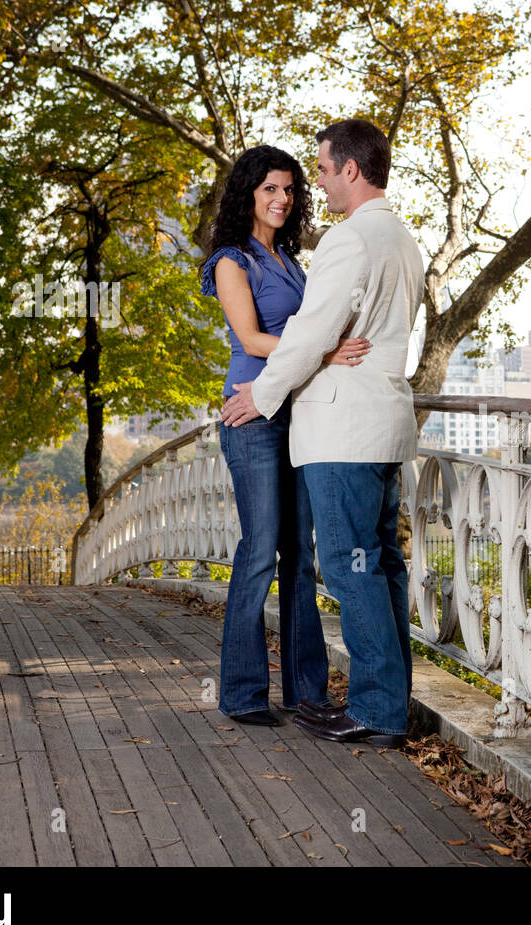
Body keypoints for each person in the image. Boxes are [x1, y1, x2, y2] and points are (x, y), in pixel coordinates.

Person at [220, 119, 423, 748]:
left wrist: (263, 391)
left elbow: (312, 335)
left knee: (348, 566)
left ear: (351, 171)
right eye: (274, 187)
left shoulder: (346, 241)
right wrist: (271, 385)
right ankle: (382, 702)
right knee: (381, 565)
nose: (317, 185)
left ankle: (376, 710)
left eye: (323, 171)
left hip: (342, 431)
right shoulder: (404, 238)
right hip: (382, 425)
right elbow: (297, 337)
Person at [200, 144, 372, 727]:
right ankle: (243, 694)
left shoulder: (293, 261)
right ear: (249, 193)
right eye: (271, 188)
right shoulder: (232, 260)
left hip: (299, 416)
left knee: (300, 556)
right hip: (252, 415)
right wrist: (324, 351)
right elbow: (250, 339)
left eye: (291, 189)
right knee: (260, 551)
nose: (283, 199)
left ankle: (307, 694)